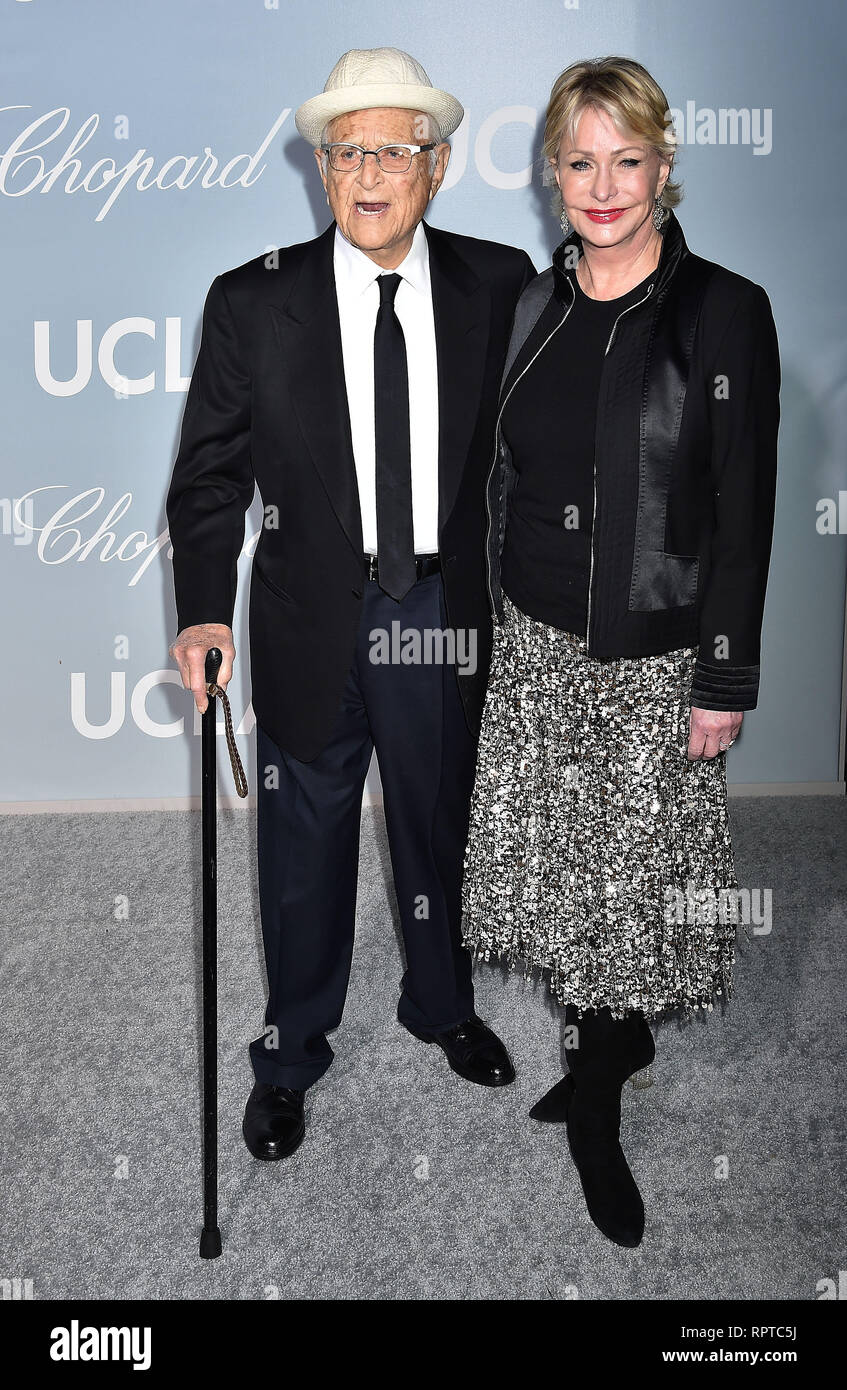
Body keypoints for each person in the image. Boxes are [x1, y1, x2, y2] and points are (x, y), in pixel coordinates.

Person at [166, 48, 537, 1163]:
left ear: (435, 166)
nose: (367, 174)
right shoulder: (251, 299)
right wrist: (200, 609)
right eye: (346, 151)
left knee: (438, 828)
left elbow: (538, 458)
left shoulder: (501, 282)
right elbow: (209, 477)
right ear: (320, 166)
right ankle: (290, 1050)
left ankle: (440, 1004)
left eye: (392, 150)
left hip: (439, 605)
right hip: (305, 615)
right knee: (303, 848)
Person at [461, 56, 780, 1246]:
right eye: (579, 162)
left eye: (626, 159)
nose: (603, 186)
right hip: (536, 648)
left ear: (663, 165)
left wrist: (723, 673)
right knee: (560, 882)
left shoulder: (723, 310)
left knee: (622, 896)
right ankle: (615, 1037)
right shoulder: (534, 310)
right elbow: (500, 477)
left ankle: (596, 1106)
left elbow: (740, 507)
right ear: (552, 174)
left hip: (652, 661)